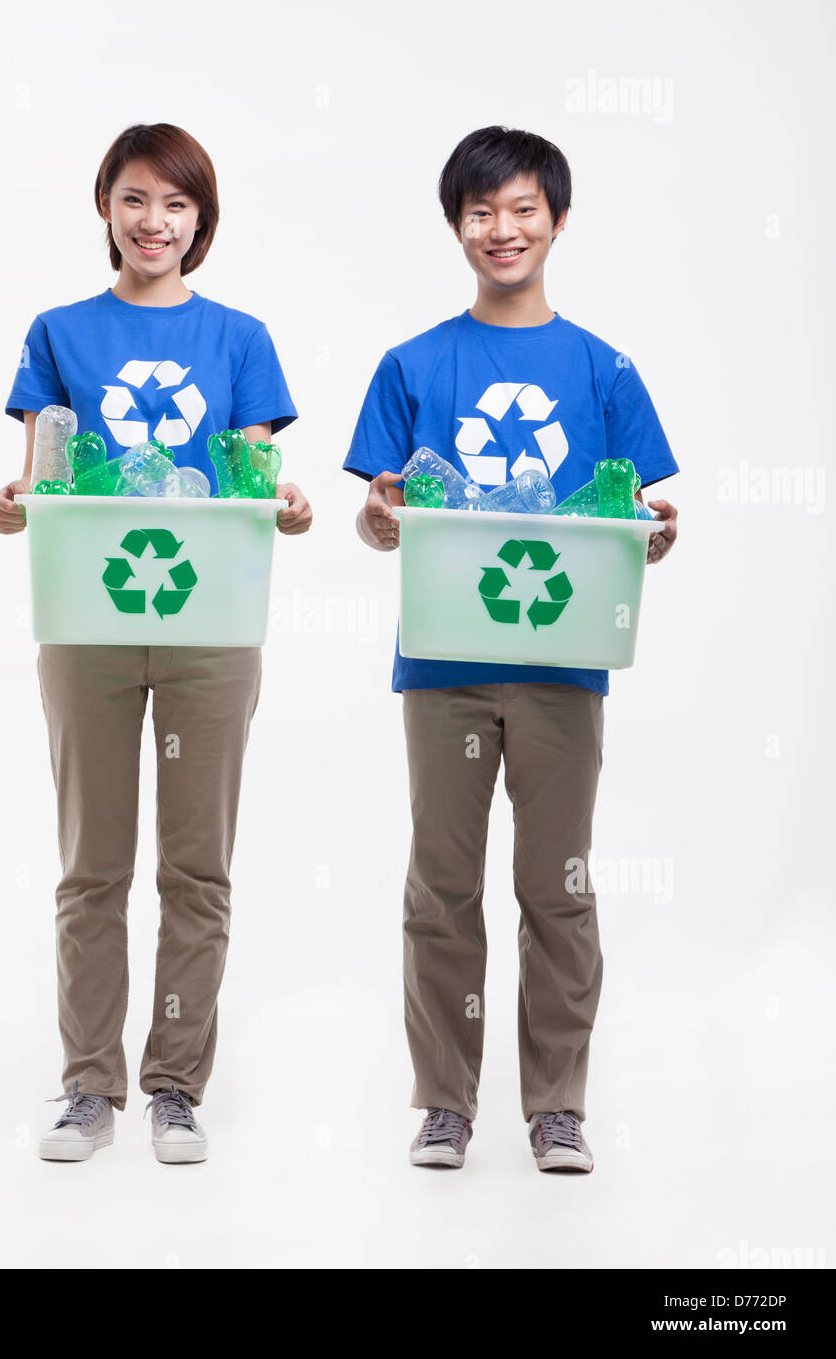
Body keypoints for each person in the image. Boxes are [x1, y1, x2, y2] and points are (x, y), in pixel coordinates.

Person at [343, 126, 679, 1172]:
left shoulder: (604, 368)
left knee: (557, 884)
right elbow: (375, 511)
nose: (503, 229)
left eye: (523, 208)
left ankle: (555, 1106)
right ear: (455, 225)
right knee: (439, 886)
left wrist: (656, 535)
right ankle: (443, 1100)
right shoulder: (411, 363)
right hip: (440, 667)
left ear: (557, 220)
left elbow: (635, 515)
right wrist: (378, 518)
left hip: (562, 666)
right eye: (481, 212)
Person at [0, 122, 312, 1164]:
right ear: (104, 208)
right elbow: (40, 468)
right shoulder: (58, 331)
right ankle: (90, 1084)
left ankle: (175, 1081)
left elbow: (255, 475)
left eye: (176, 204)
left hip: (210, 622)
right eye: (134, 199)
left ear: (201, 221)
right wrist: (14, 502)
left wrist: (288, 505)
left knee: (195, 864)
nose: (153, 222)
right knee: (92, 864)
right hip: (85, 618)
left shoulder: (240, 338)